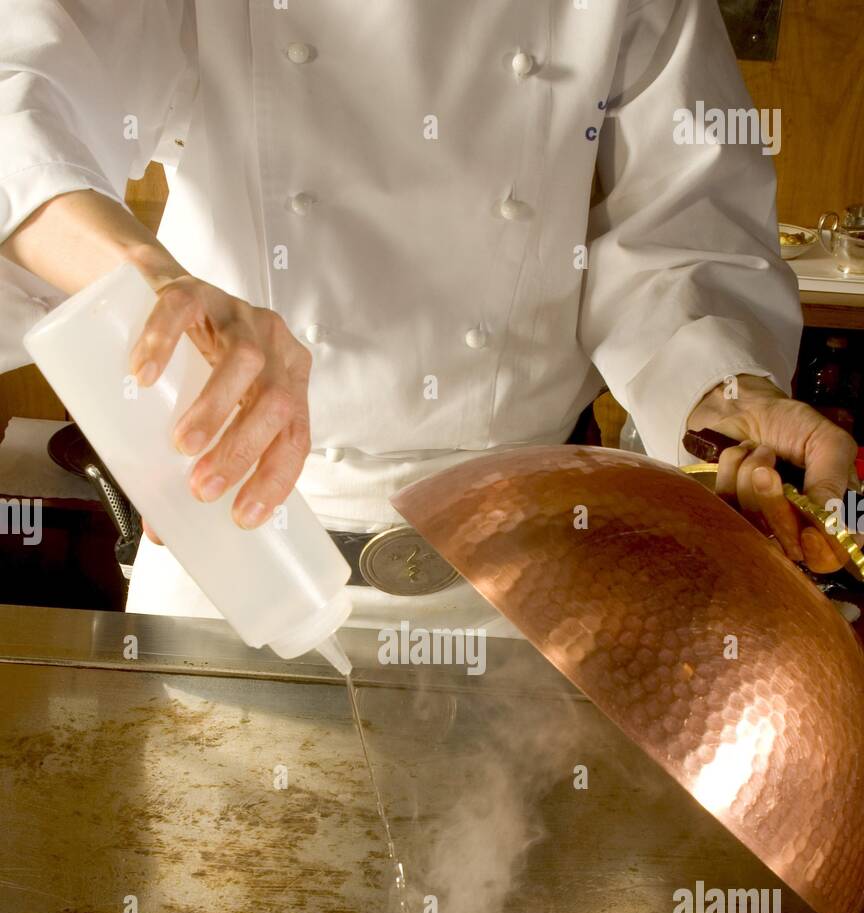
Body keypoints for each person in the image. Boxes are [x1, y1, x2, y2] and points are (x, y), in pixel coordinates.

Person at [0, 0, 855, 633]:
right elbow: (22, 92)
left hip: (535, 597)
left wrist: (719, 399)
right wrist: (147, 279)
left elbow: (680, 229)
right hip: (240, 565)